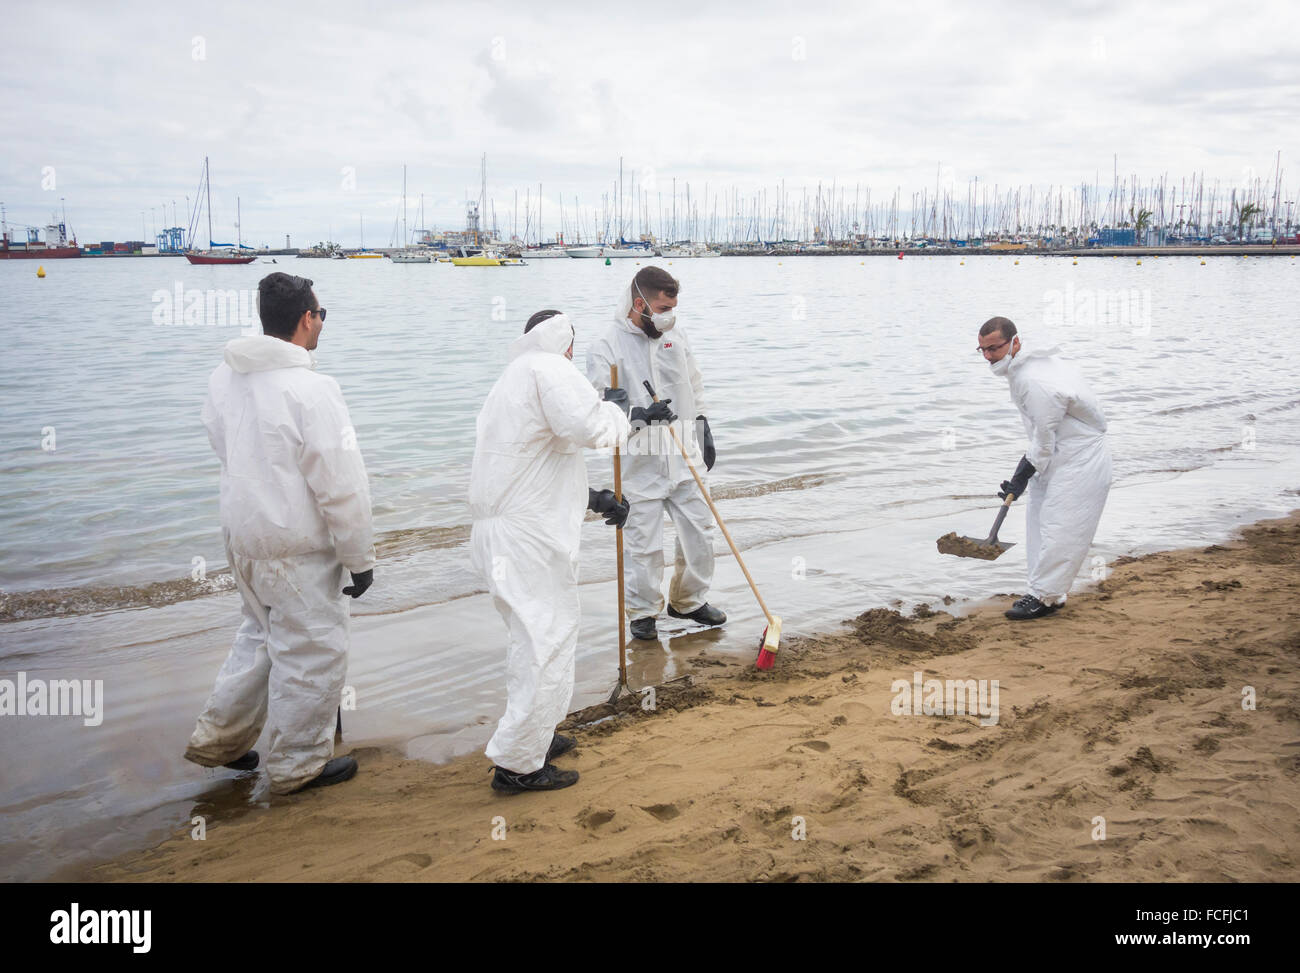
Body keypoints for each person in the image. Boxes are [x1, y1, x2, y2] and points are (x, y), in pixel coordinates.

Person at [184, 273, 374, 794]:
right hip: (296, 546)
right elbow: (340, 482)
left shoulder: (225, 377)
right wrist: (360, 556)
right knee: (313, 651)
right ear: (306, 319)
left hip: (242, 535)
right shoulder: (313, 389)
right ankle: (296, 767)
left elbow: (218, 438)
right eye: (321, 315)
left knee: (259, 639)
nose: (321, 325)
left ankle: (218, 741)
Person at [470, 309, 638, 794]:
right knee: (545, 639)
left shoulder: (512, 378)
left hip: (504, 533)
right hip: (526, 540)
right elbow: (592, 429)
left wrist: (593, 500)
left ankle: (532, 738)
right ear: (564, 342)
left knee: (531, 640)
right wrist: (617, 410)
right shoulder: (549, 368)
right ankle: (520, 766)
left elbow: (536, 464)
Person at [586, 266, 725, 642]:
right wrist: (637, 415)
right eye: (663, 307)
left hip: (683, 450)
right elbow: (599, 410)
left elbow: (693, 381)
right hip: (639, 459)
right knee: (643, 545)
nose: (669, 314)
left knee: (701, 533)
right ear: (639, 303)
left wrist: (703, 424)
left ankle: (688, 601)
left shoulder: (674, 334)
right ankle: (643, 611)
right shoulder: (606, 346)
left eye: (673, 307)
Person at [978, 316, 1111, 620]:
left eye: (993, 349)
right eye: (982, 350)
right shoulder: (1025, 369)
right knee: (1038, 521)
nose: (987, 356)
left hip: (1080, 457)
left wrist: (1021, 476)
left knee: (1061, 527)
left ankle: (1044, 597)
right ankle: (1050, 591)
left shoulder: (1034, 381)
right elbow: (1043, 438)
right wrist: (1023, 477)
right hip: (1058, 454)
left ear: (1015, 343)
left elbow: (1043, 438)